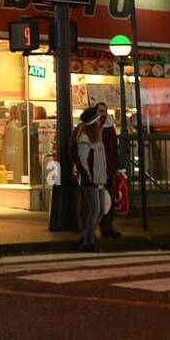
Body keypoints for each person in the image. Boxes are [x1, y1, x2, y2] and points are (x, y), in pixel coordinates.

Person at [74, 106, 108, 252]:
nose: (100, 121)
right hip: (91, 180)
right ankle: (88, 241)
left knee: (100, 210)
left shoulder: (95, 138)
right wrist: (87, 177)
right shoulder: (86, 139)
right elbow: (83, 160)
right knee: (95, 210)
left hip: (98, 179)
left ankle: (88, 235)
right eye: (98, 119)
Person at [96, 102, 123, 239]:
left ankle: (106, 228)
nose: (103, 114)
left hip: (106, 170)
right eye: (100, 111)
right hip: (95, 170)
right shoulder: (90, 128)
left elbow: (113, 150)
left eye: (105, 111)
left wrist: (113, 168)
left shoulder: (108, 128)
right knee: (95, 202)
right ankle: (92, 230)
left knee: (106, 200)